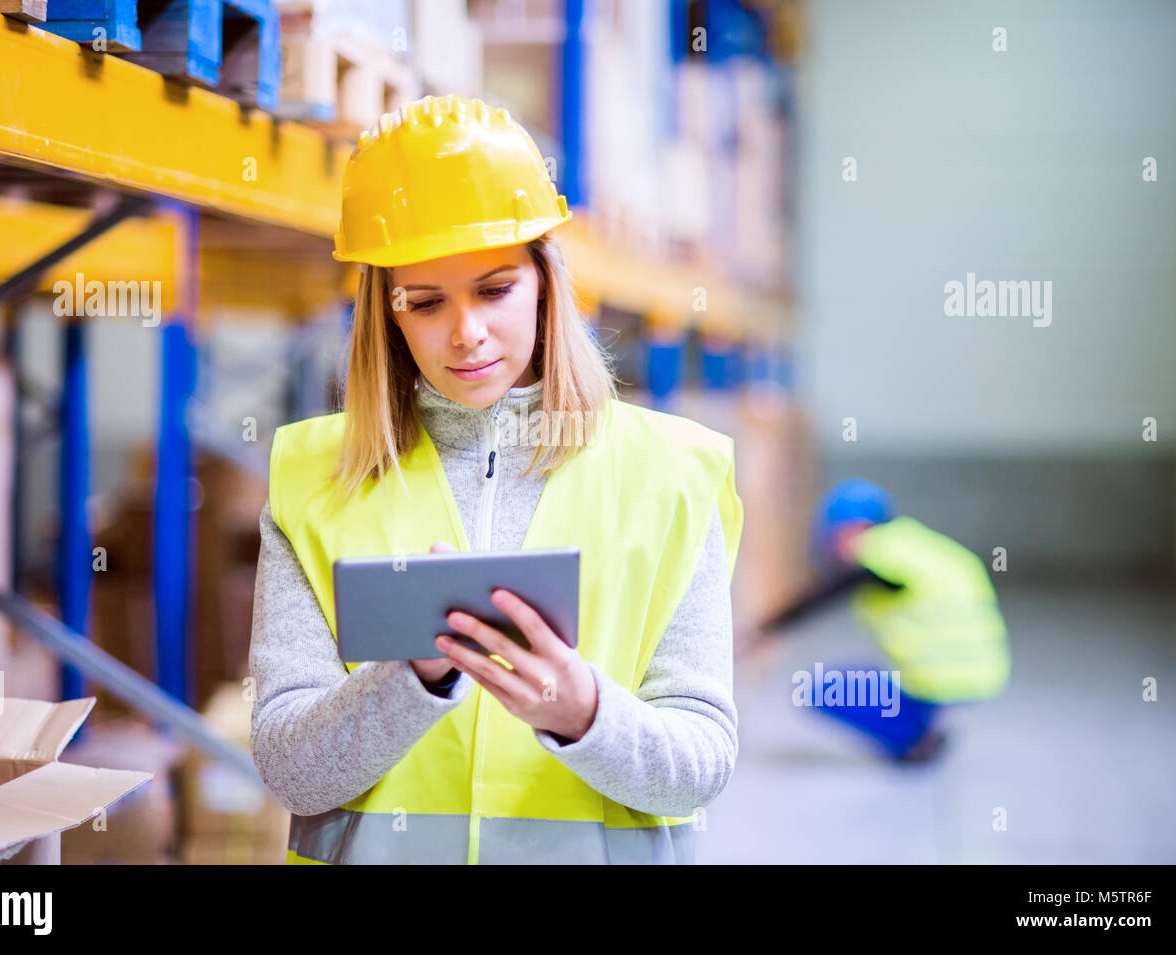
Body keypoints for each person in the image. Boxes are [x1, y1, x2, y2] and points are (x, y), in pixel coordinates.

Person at [248, 94, 744, 864]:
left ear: (546, 280)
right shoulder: (313, 482)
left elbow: (700, 765)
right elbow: (292, 770)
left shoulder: (671, 476)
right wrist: (411, 676)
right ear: (388, 314)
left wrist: (584, 713)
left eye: (494, 288)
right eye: (425, 302)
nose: (466, 332)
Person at [762, 479, 1010, 763]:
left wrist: (766, 629)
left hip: (933, 681)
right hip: (980, 675)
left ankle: (913, 739)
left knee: (819, 688)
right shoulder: (921, 547)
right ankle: (922, 731)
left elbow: (827, 593)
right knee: (874, 676)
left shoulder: (879, 553)